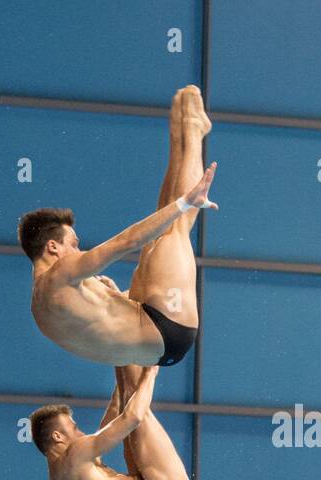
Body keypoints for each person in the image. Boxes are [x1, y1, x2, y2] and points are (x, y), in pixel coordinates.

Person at [19, 85, 216, 368]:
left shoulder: (39, 308)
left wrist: (115, 295)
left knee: (161, 228)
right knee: (174, 227)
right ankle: (195, 131)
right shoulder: (60, 274)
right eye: (73, 244)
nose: (78, 249)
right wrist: (186, 202)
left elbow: (102, 332)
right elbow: (125, 243)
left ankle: (178, 133)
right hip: (168, 327)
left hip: (157, 343)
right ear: (53, 246)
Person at [28, 365, 192, 480]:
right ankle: (133, 349)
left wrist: (120, 371)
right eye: (74, 428)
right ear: (58, 436)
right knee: (135, 395)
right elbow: (133, 417)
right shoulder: (75, 453)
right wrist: (151, 372)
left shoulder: (58, 478)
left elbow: (112, 421)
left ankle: (124, 354)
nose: (81, 433)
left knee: (126, 395)